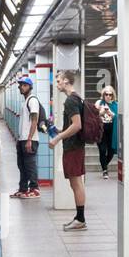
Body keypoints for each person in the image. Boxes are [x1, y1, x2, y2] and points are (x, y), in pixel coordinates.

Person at [48, 69, 87, 230]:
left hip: (73, 147)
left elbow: (77, 125)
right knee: (75, 183)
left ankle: (81, 219)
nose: (56, 84)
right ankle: (79, 217)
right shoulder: (77, 98)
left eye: (58, 81)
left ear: (66, 81)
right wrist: (59, 130)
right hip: (75, 146)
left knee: (76, 183)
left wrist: (58, 138)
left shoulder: (71, 100)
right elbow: (72, 124)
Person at [10, 76, 42, 200]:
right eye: (20, 85)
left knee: (30, 165)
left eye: (24, 85)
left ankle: (35, 189)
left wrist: (29, 139)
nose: (21, 87)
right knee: (22, 165)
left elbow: (35, 120)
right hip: (22, 139)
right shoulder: (25, 101)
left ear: (30, 87)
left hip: (30, 140)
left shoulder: (32, 100)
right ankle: (23, 189)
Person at [97, 86, 118, 178]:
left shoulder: (116, 105)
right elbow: (93, 115)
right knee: (102, 150)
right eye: (106, 94)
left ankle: (104, 164)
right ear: (103, 95)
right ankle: (105, 170)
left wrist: (111, 113)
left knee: (111, 151)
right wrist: (101, 113)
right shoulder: (99, 103)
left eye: (110, 94)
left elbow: (118, 117)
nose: (108, 96)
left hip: (112, 130)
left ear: (113, 95)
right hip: (101, 129)